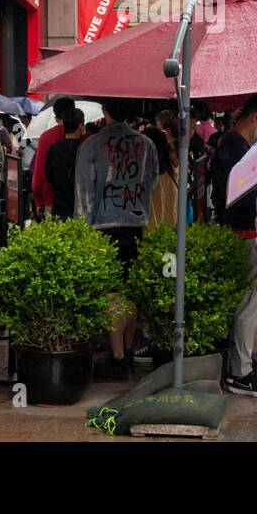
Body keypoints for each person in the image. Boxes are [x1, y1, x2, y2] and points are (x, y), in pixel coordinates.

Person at [76, 99, 160, 381]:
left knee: (111, 294)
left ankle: (118, 358)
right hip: (136, 223)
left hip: (103, 227)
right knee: (130, 291)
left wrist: (81, 234)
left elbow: (84, 195)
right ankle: (126, 349)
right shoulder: (147, 144)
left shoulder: (90, 146)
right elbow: (153, 182)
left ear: (104, 112)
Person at [213, 93, 257, 398]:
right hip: (246, 234)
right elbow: (237, 198)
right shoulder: (234, 149)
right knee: (250, 304)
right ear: (256, 118)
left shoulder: (238, 147)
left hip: (248, 233)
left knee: (249, 304)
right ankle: (239, 373)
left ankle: (242, 361)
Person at [31, 96, 76, 215]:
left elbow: (39, 174)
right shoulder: (86, 136)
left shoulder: (46, 137)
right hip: (80, 201)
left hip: (51, 201)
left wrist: (38, 201)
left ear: (56, 118)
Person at [44, 107, 86, 220]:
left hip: (60, 208)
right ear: (81, 126)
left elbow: (48, 175)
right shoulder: (86, 148)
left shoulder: (54, 149)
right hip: (82, 209)